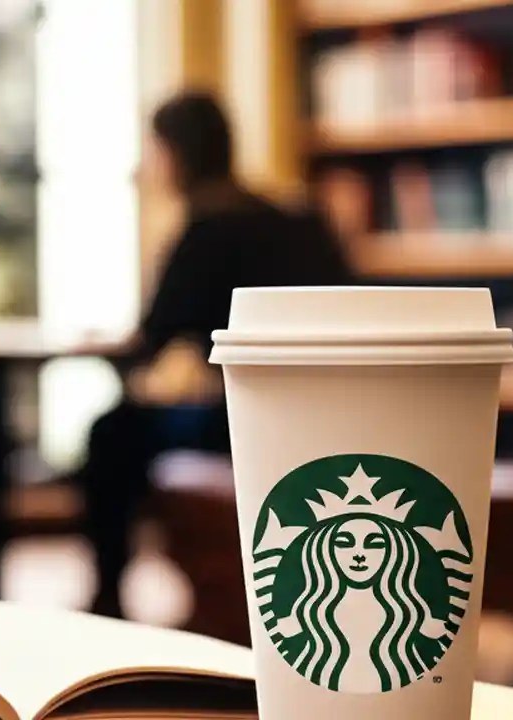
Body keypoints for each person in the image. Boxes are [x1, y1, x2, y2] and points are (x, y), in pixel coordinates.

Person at [78, 91, 353, 617]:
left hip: (235, 421)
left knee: (111, 432)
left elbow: (153, 336)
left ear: (175, 153)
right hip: (323, 414)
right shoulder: (298, 217)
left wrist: (105, 346)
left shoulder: (207, 226)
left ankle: (108, 592)